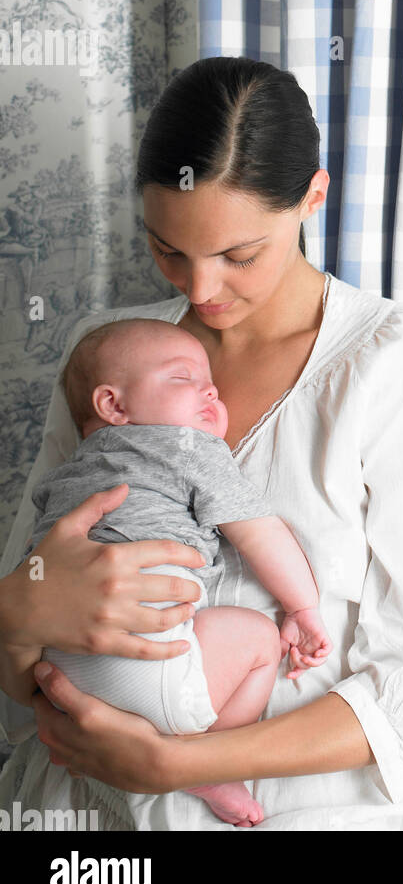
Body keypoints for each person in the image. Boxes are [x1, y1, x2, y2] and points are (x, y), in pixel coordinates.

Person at [0, 56, 403, 831]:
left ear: (313, 199)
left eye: (239, 256)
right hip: (83, 819)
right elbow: (16, 650)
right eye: (168, 248)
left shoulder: (391, 360)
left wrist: (177, 765)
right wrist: (20, 608)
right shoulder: (108, 357)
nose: (199, 291)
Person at [13, 316, 335, 827]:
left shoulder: (60, 479)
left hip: (59, 677)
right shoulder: (187, 449)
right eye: (182, 378)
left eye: (210, 382)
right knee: (259, 641)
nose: (210, 390)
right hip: (154, 666)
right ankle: (209, 759)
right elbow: (257, 529)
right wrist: (303, 607)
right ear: (113, 405)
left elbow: (30, 571)